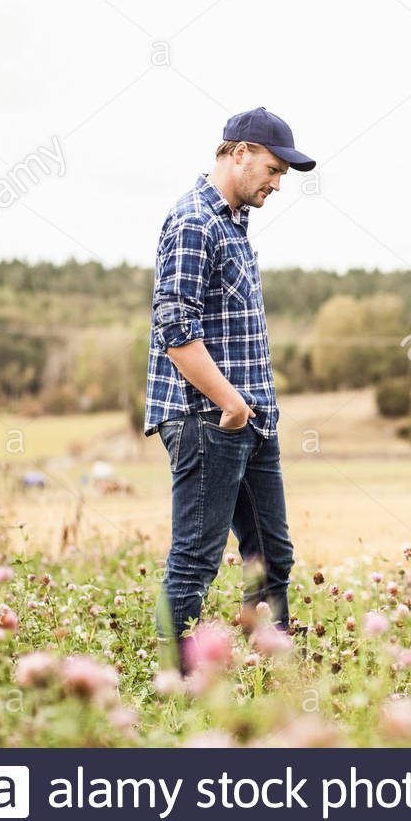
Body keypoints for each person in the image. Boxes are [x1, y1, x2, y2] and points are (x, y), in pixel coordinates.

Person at [143, 107, 316, 673]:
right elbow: (175, 328)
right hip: (207, 419)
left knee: (271, 555)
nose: (276, 183)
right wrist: (231, 402)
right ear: (238, 152)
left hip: (251, 421)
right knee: (195, 558)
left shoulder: (232, 224)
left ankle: (269, 677)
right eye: (272, 169)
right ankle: (175, 689)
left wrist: (251, 408)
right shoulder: (195, 221)